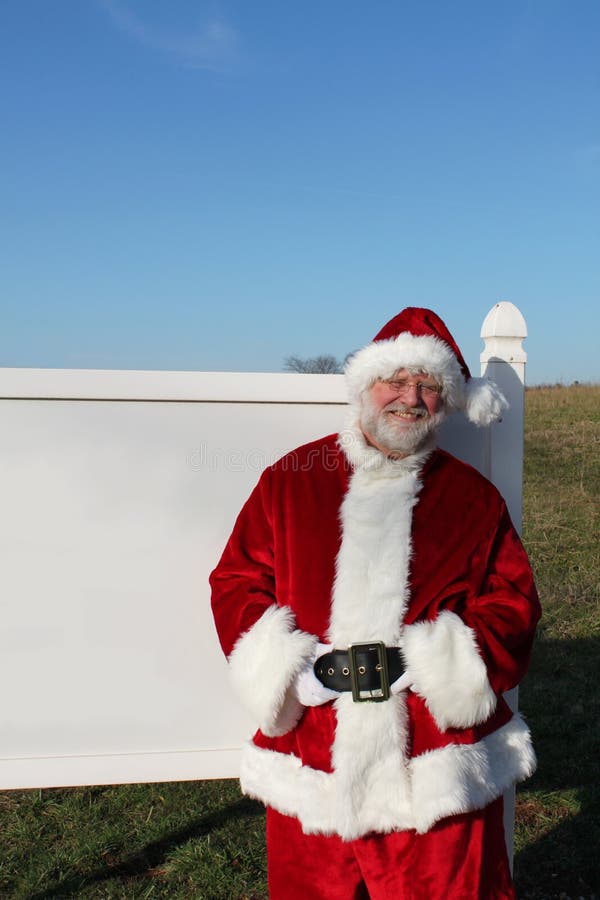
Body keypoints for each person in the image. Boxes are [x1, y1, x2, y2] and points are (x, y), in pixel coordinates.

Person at [210, 307, 541, 899]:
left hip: (432, 766)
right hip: (314, 758)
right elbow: (236, 580)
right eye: (397, 379)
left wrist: (443, 662)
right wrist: (289, 668)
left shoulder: (473, 499)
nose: (410, 398)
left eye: (430, 385)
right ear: (366, 385)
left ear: (446, 401)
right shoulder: (290, 481)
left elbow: (512, 601)